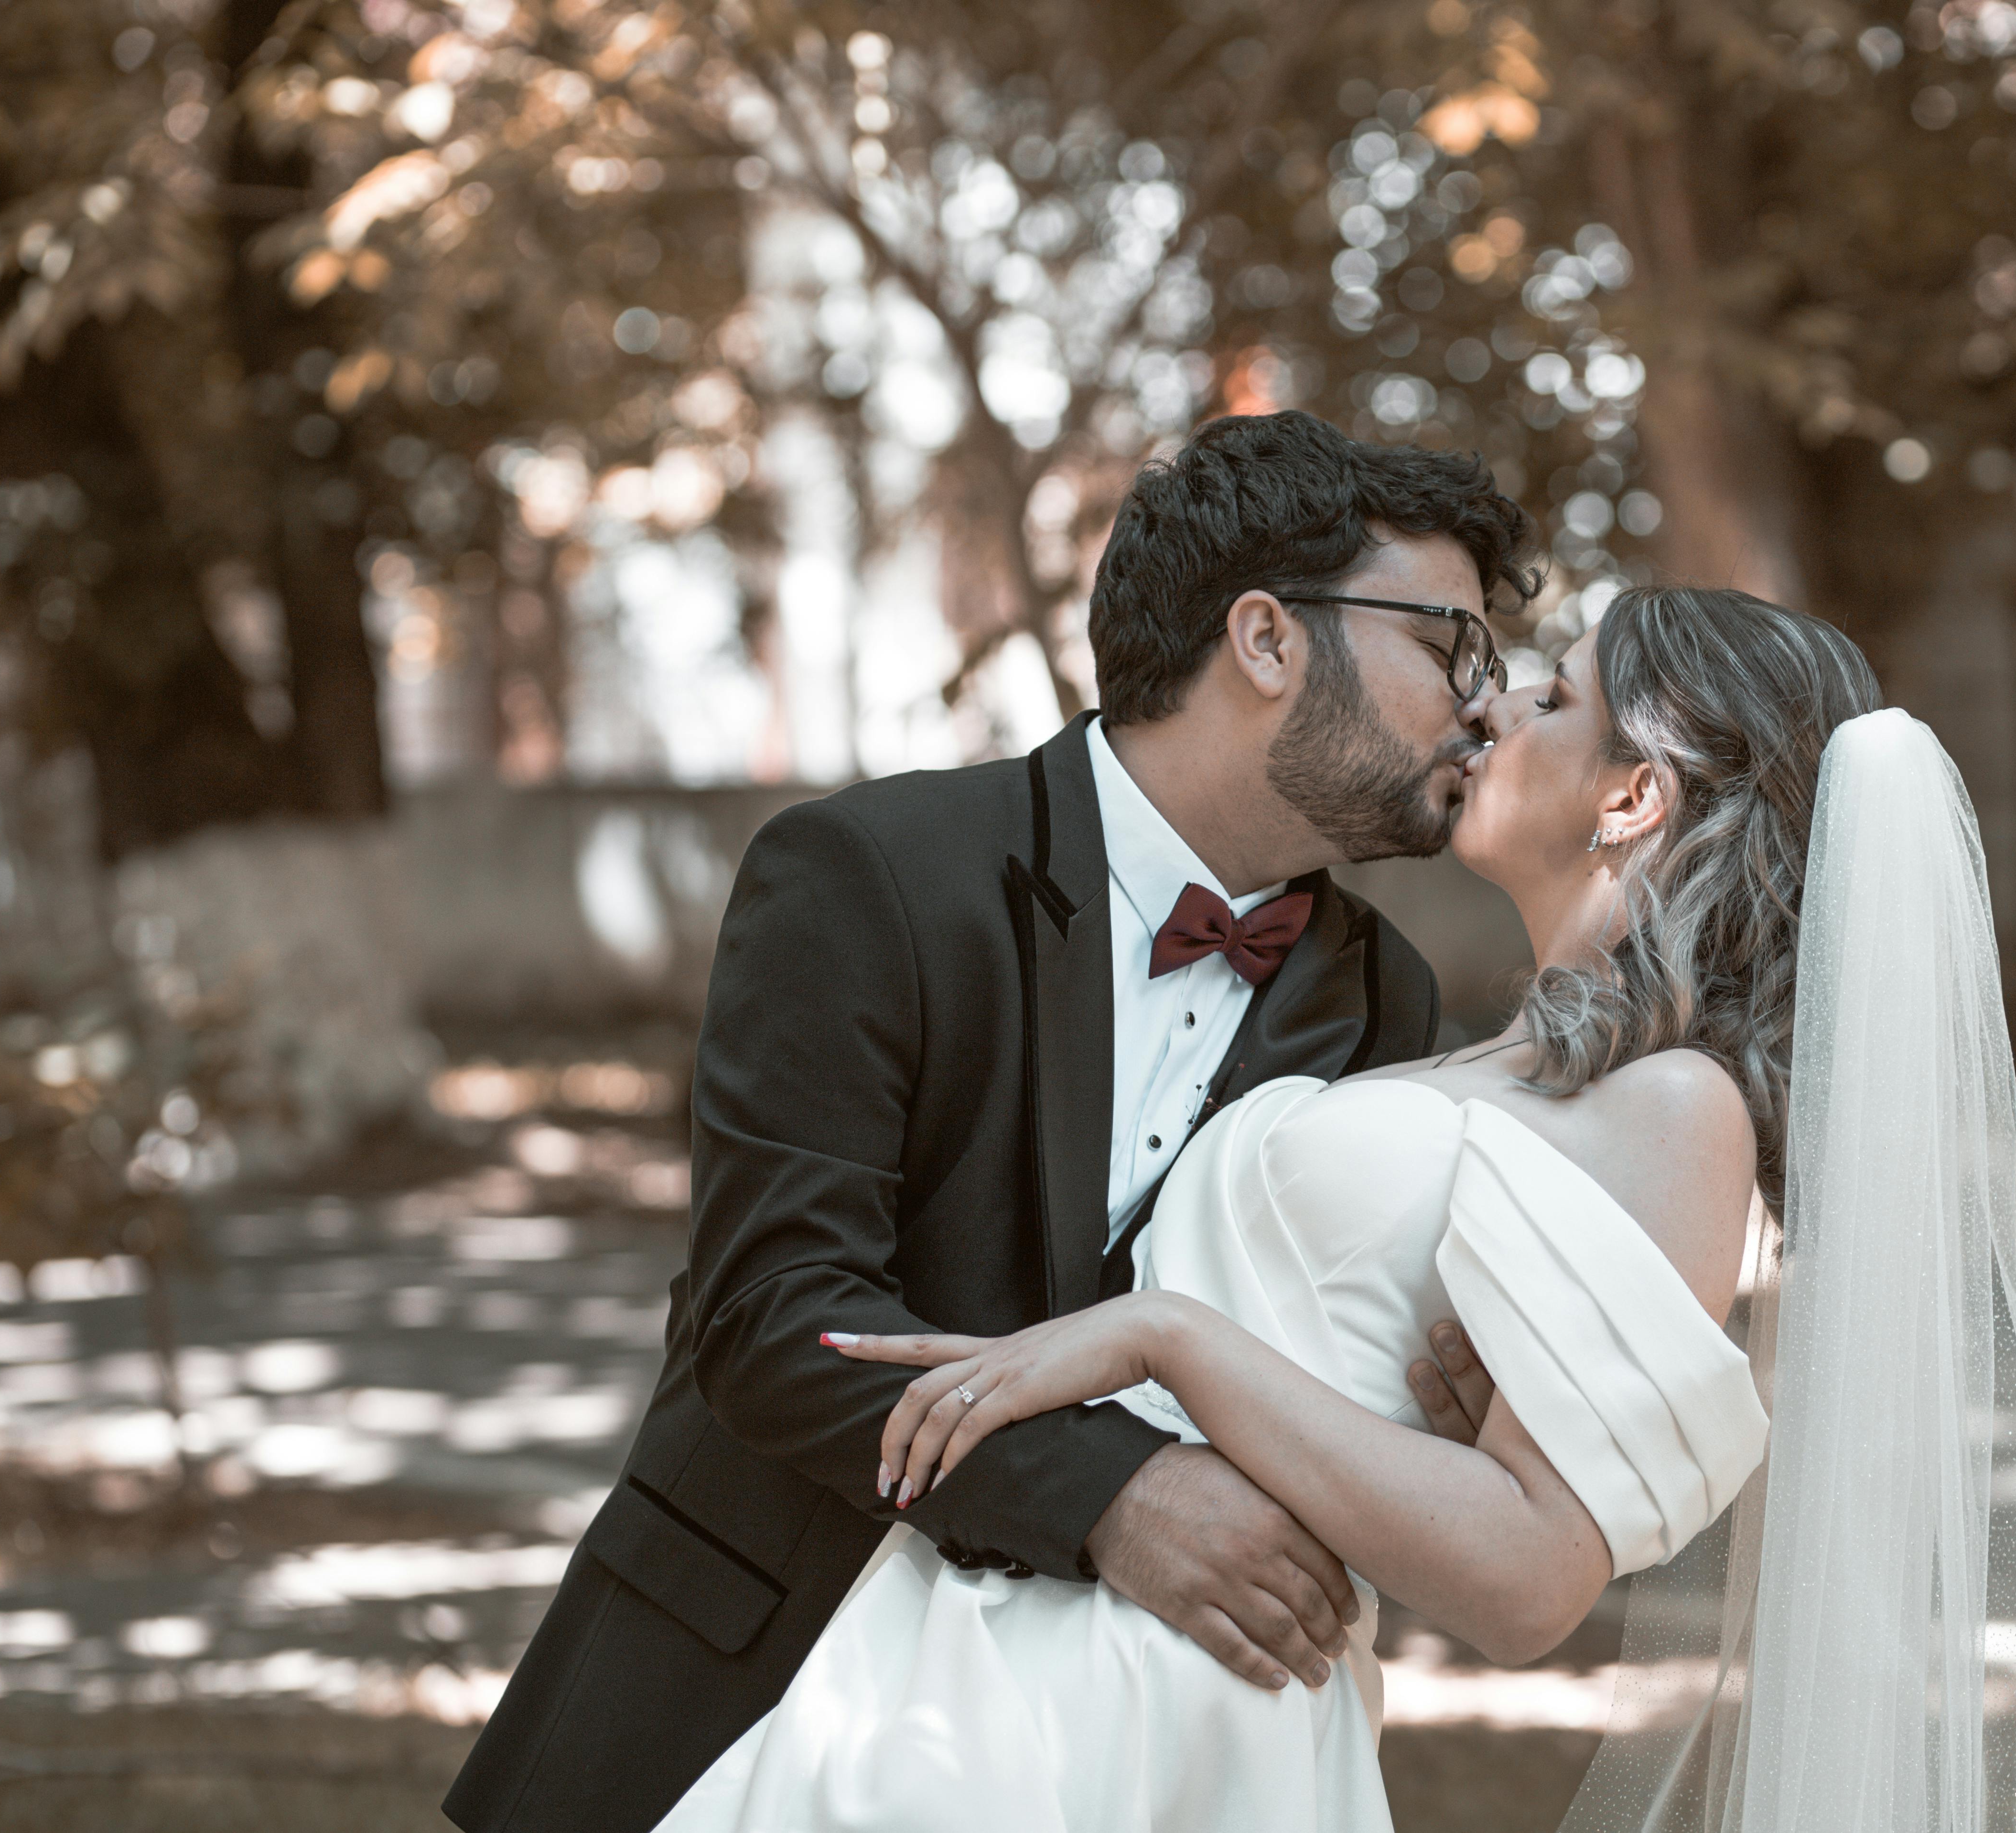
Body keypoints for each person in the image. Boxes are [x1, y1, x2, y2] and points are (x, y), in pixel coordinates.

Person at [649, 586, 2016, 1832]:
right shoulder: (1455, 1037)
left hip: (1178, 1693)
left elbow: (1521, 1582)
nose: (1492, 701)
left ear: (1633, 797)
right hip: (989, 1636)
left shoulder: (1678, 1111)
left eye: (1552, 694)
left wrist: (1169, 1339)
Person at [444, 409, 1542, 1833]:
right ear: (1266, 640)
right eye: (1449, 643)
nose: (1481, 703)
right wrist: (1114, 1492)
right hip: (764, 1688)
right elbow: (771, 1320)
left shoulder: (1380, 989)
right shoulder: (866, 875)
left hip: (1139, 1736)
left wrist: (1429, 1400)